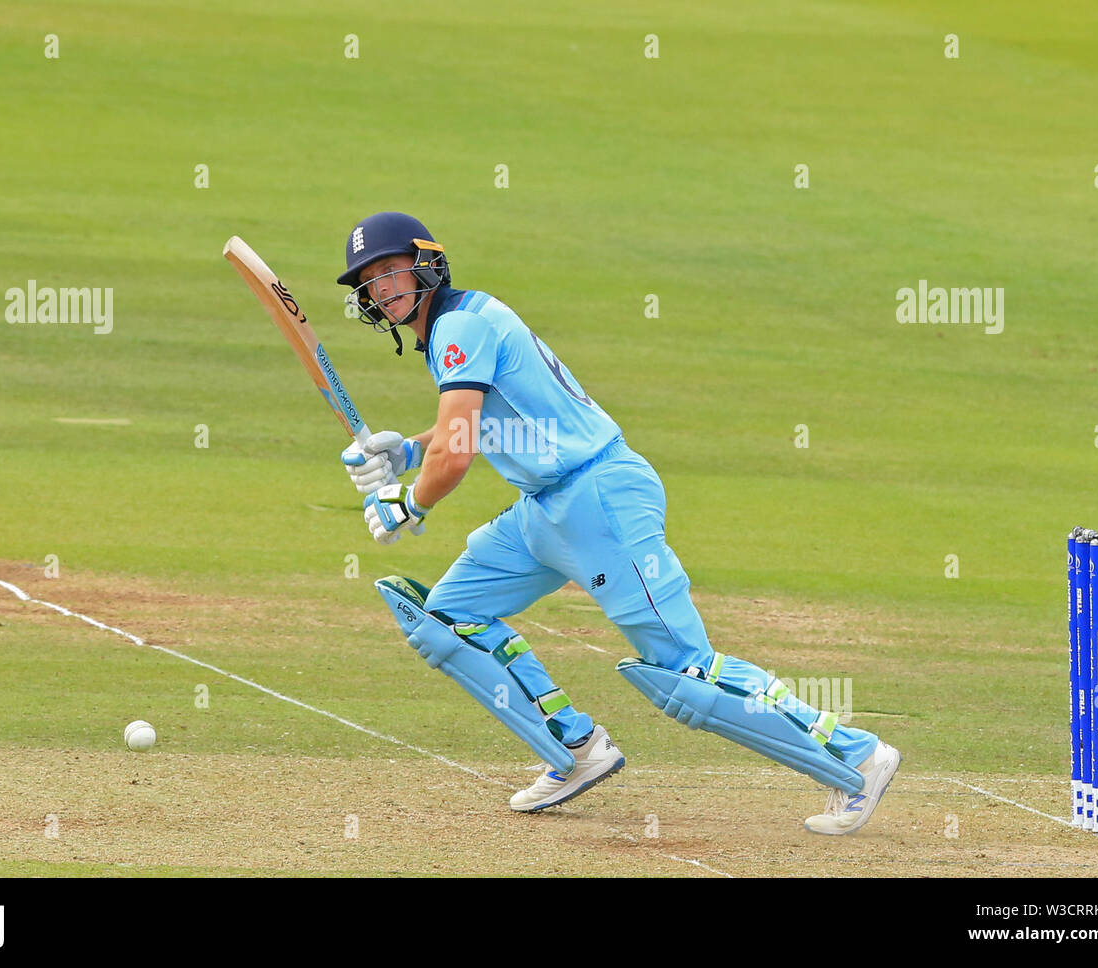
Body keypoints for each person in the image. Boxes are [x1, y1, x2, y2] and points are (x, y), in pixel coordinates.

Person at [336, 211, 901, 832]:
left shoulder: (460, 326)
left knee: (684, 673)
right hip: (544, 510)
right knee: (447, 620)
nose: (384, 288)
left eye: (391, 270)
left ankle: (858, 758)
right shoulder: (458, 326)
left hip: (598, 499)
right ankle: (574, 749)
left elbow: (460, 450)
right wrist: (409, 452)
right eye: (370, 282)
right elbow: (475, 423)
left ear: (427, 263)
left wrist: (410, 501)